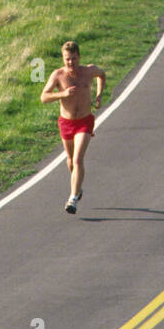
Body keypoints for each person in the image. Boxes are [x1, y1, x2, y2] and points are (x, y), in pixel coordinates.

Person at [40, 41, 106, 214]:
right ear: (63, 58)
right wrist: (63, 93)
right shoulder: (58, 75)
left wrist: (99, 96)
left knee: (77, 160)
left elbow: (102, 75)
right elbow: (44, 97)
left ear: (79, 57)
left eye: (74, 59)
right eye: (67, 59)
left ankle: (73, 198)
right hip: (66, 122)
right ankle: (78, 188)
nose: (71, 63)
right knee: (69, 161)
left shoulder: (88, 71)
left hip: (84, 121)